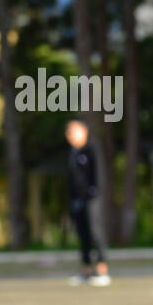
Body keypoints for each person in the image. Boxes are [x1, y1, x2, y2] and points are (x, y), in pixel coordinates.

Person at [64, 119, 110, 286]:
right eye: (68, 132)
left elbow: (98, 173)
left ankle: (102, 271)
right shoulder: (73, 152)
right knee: (82, 234)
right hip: (78, 200)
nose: (69, 136)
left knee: (95, 232)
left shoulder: (91, 148)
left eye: (72, 131)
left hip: (92, 199)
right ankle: (86, 271)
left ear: (83, 132)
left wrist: (94, 193)